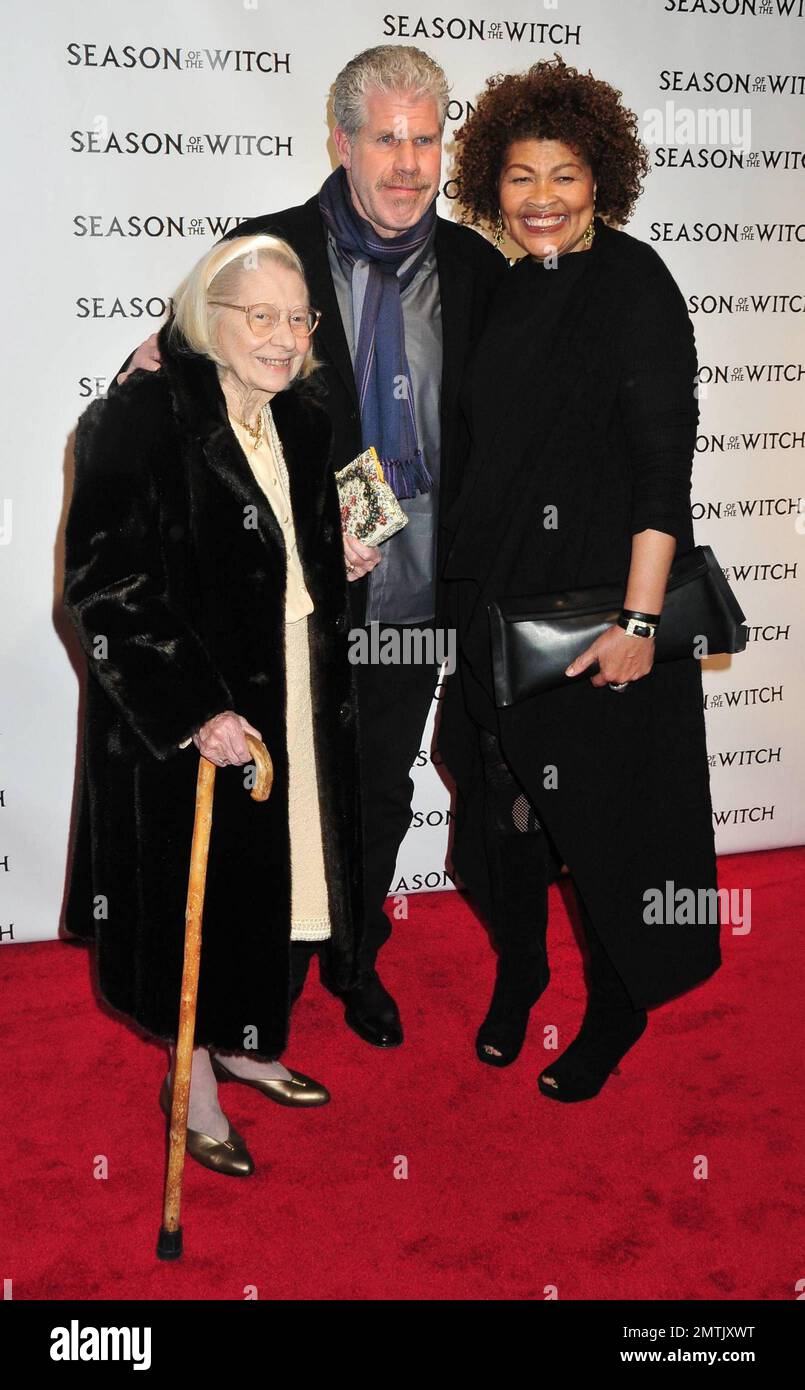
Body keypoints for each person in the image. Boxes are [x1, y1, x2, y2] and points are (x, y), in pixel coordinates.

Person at [118, 45, 507, 1047]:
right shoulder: (269, 251)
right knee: (284, 781)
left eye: (425, 139)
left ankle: (355, 958)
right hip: (292, 587)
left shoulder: (472, 269)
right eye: (386, 138)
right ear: (341, 140)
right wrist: (150, 366)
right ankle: (270, 970)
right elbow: (186, 394)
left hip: (417, 586)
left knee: (377, 783)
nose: (409, 163)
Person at [437, 57, 721, 1101]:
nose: (542, 198)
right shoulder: (500, 291)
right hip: (492, 606)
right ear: (491, 185)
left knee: (604, 823)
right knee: (504, 809)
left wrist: (641, 618)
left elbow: (661, 470)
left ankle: (616, 1002)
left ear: (601, 177)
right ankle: (521, 973)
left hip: (598, 611)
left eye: (563, 174)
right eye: (519, 176)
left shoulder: (634, 282)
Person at [63, 234, 363, 1175]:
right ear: (207, 321)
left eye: (297, 319)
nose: (281, 338)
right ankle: (188, 1079)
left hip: (293, 698)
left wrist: (342, 560)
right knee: (188, 903)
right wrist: (194, 709)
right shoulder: (141, 419)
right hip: (187, 716)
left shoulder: (307, 419)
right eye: (257, 318)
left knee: (268, 884)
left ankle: (241, 1041)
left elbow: (298, 558)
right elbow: (105, 587)